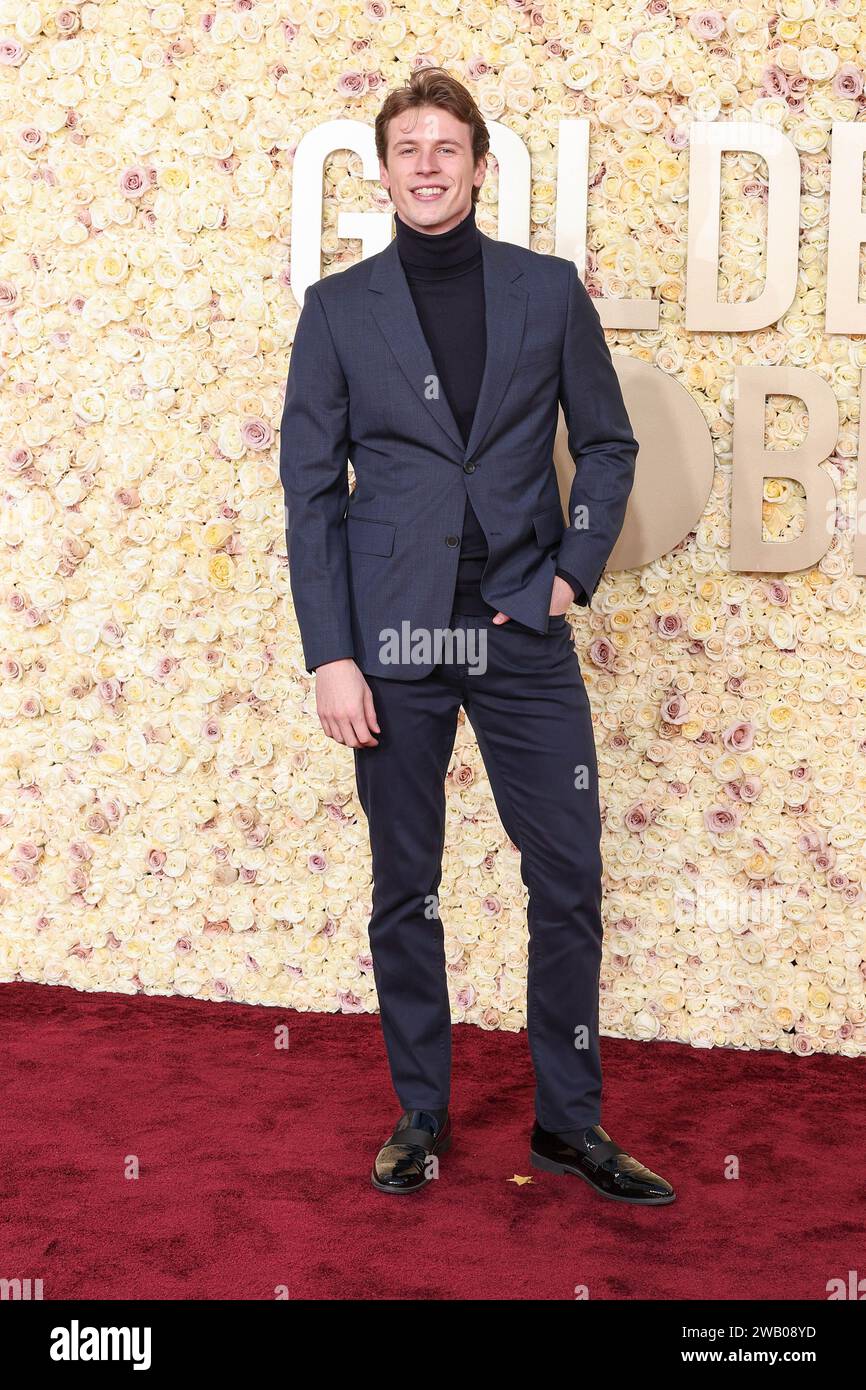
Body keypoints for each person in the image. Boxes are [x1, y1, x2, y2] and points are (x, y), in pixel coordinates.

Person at [280, 66, 675, 1206]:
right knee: (405, 881)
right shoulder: (338, 311)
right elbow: (309, 491)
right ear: (385, 167)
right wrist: (330, 653)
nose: (425, 164)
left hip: (517, 630)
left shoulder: (548, 293)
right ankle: (419, 1111)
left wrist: (568, 573)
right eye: (406, 146)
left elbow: (605, 446)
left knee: (567, 876)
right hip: (391, 639)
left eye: (445, 146)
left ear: (478, 164)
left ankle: (568, 1121)